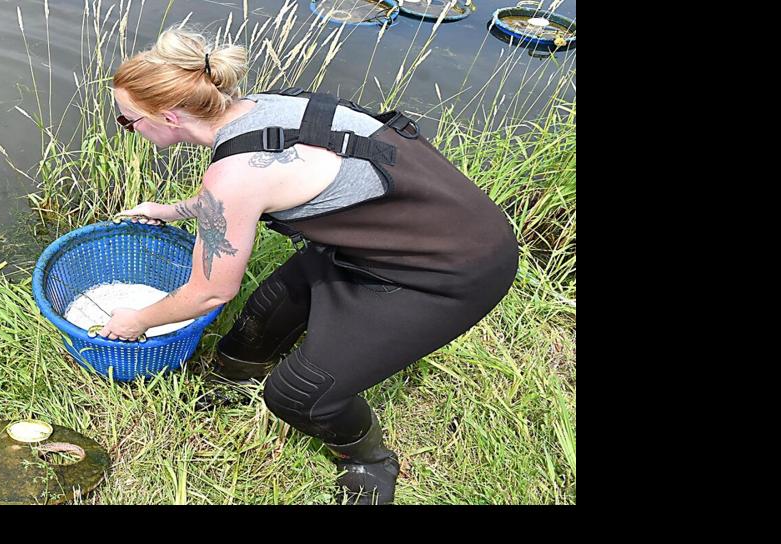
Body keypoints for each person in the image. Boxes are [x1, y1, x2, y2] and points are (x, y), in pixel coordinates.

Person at [106, 27, 519, 504]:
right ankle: (233, 377)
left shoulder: (234, 176)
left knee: (297, 395)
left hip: (450, 271)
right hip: (410, 232)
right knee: (267, 309)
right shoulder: (255, 109)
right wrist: (172, 211)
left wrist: (133, 321)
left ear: (170, 116)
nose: (128, 127)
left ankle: (369, 460)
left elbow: (209, 291)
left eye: (128, 120)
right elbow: (235, 192)